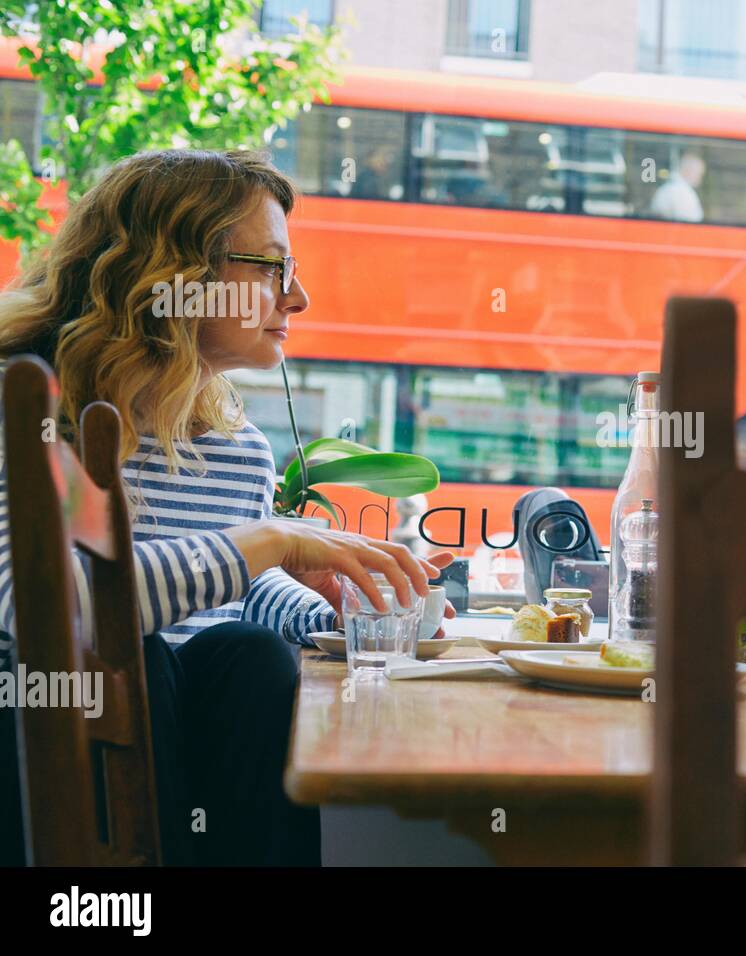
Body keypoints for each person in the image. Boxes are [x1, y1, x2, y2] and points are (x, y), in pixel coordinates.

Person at [0, 149, 452, 865]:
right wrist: (269, 541)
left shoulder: (235, 446)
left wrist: (335, 605)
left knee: (246, 653)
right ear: (173, 272)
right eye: (272, 268)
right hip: (33, 755)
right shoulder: (23, 405)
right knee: (138, 655)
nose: (296, 298)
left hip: (177, 763)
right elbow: (38, 609)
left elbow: (225, 597)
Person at [649, 151, 706, 222]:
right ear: (688, 170)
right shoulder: (680, 191)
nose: (700, 178)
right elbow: (688, 222)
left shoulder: (671, 188)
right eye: (699, 173)